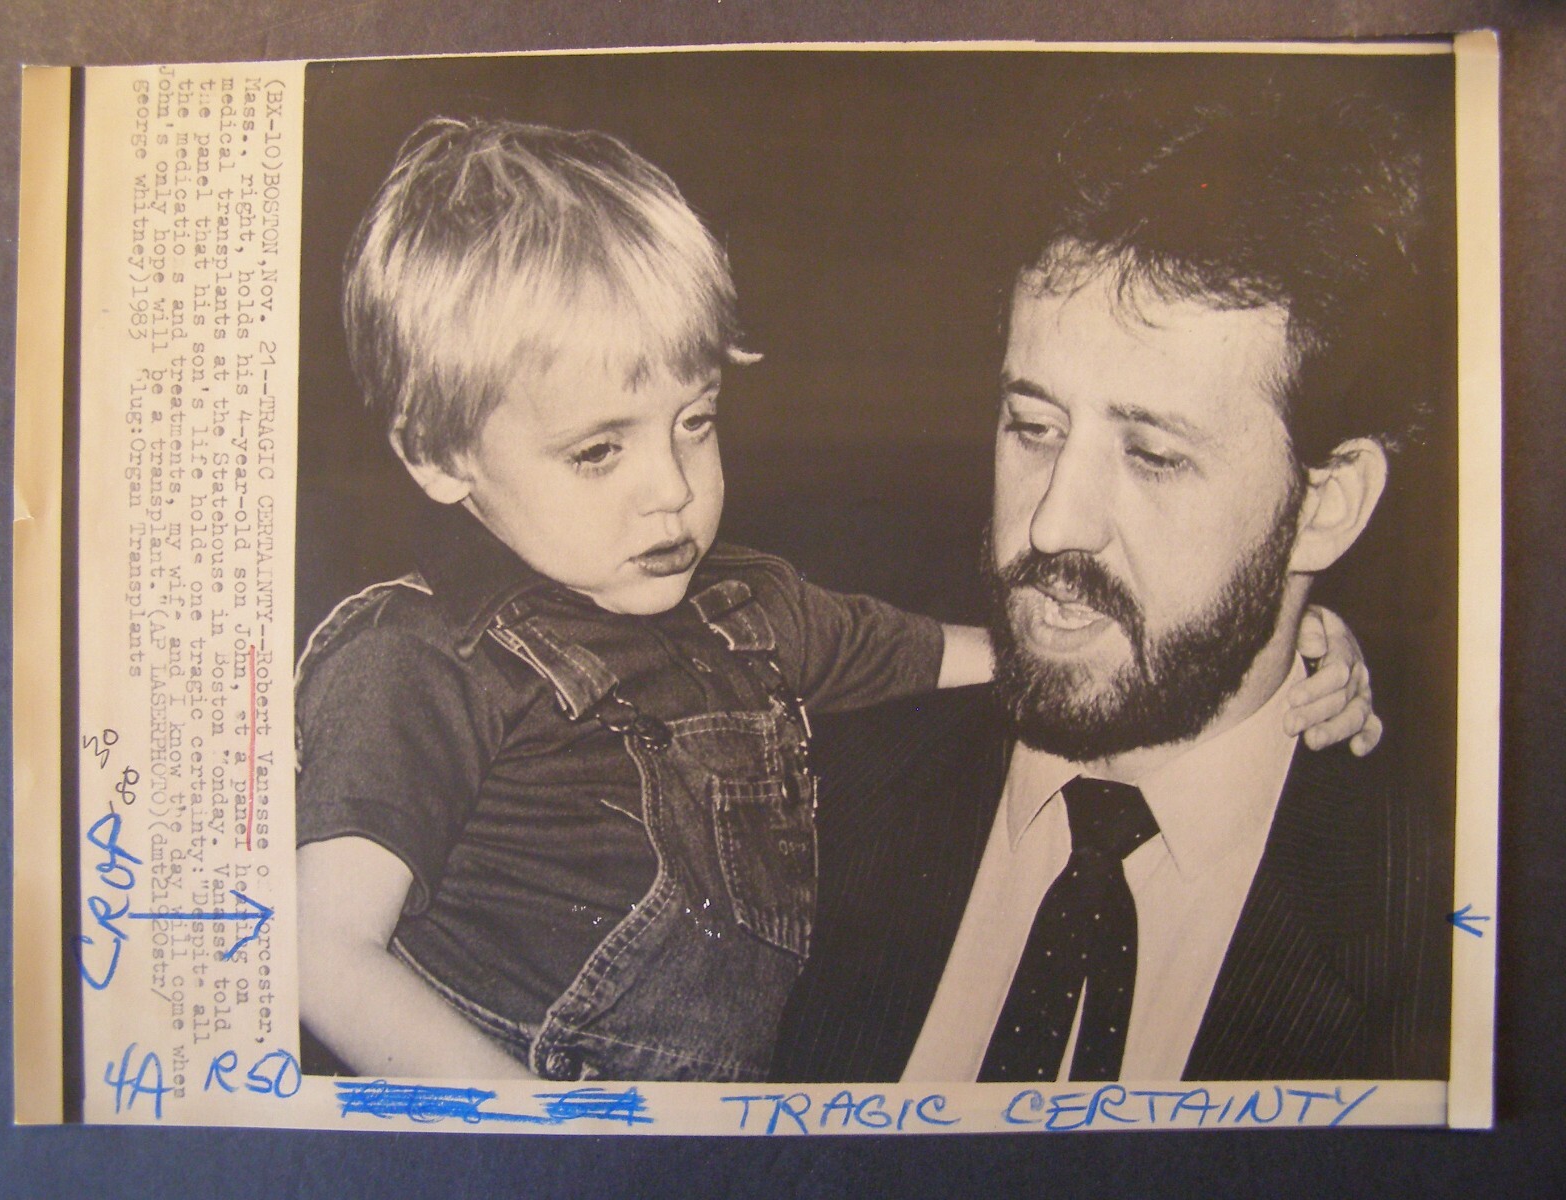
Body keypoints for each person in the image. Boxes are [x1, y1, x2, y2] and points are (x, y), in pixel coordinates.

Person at [294, 115, 1377, 1084]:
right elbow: (314, 953)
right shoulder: (412, 659)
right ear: (437, 455)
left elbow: (987, 650)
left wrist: (1270, 637)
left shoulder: (759, 613)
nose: (670, 488)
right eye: (595, 451)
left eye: (696, 421)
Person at [772, 93, 1449, 1084]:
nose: (1052, 524)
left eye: (1154, 454)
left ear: (1326, 508)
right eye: (1034, 428)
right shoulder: (807, 799)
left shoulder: (1445, 941)